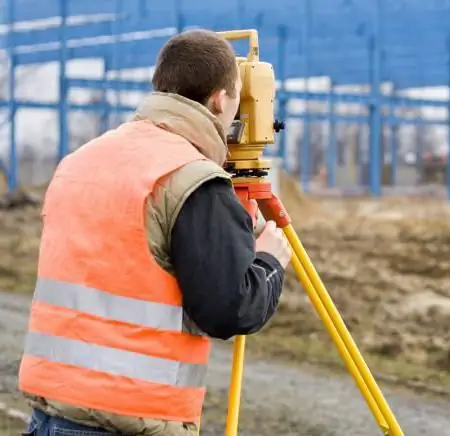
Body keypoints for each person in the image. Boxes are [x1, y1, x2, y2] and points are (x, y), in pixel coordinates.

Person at [17, 29, 292, 436]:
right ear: (221, 99)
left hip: (51, 415)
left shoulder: (81, 161)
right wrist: (268, 260)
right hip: (133, 418)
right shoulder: (191, 180)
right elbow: (229, 309)